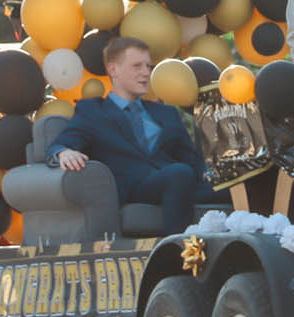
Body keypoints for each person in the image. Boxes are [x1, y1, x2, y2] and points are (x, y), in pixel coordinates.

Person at [45, 36, 220, 235]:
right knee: (179, 173)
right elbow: (60, 145)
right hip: (136, 187)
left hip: (180, 182)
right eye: (137, 66)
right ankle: (179, 252)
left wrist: (205, 171)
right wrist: (63, 153)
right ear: (113, 70)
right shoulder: (93, 112)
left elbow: (191, 159)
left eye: (148, 65)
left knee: (240, 184)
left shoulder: (166, 113)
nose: (146, 72)